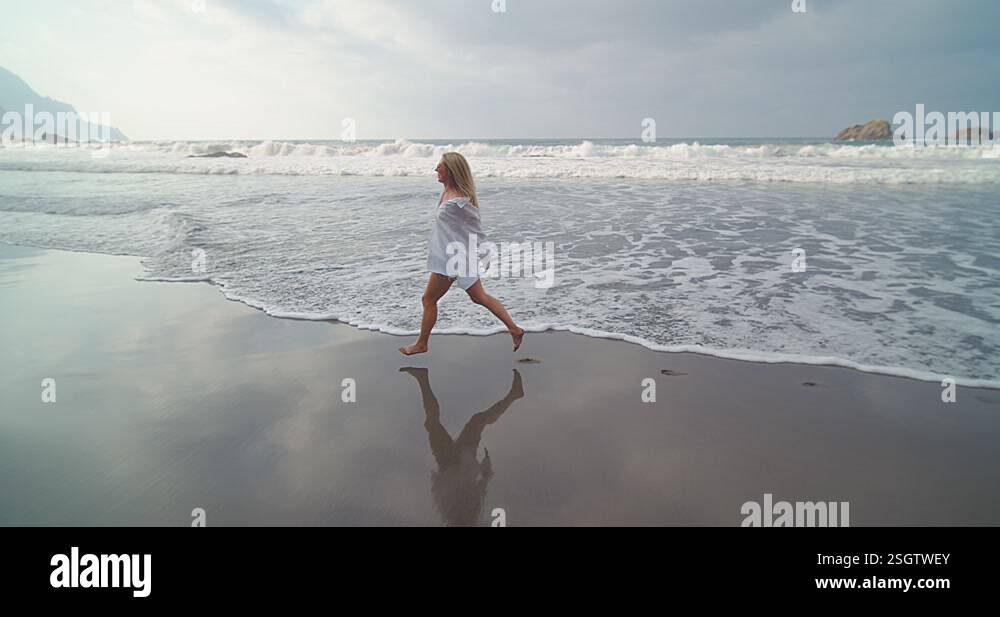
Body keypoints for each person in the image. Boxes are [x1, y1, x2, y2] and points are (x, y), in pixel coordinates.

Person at [399, 152, 525, 356]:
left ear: (450, 170)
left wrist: (480, 253)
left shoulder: (458, 202)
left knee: (428, 300)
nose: (435, 170)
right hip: (452, 256)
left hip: (451, 260)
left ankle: (422, 344)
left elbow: (476, 227)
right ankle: (515, 330)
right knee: (479, 297)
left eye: (439, 166)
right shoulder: (447, 192)